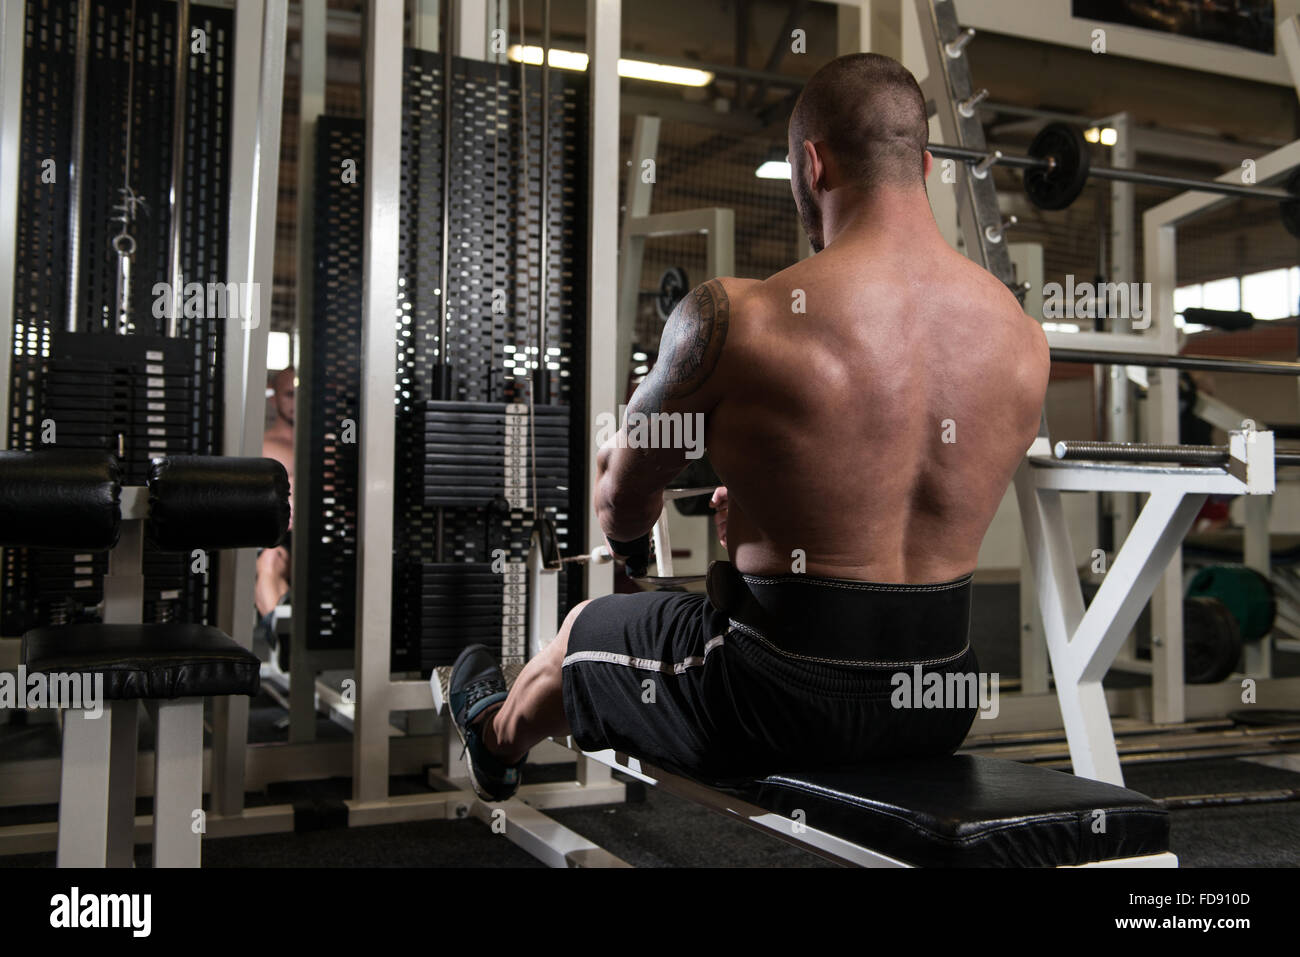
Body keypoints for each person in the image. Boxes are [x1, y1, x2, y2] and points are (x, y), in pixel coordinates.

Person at [437, 53, 1051, 799]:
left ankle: (495, 738)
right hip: (940, 701)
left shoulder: (742, 318)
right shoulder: (1021, 338)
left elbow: (620, 495)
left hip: (777, 700)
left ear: (812, 164)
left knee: (586, 630)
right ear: (922, 164)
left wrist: (632, 552)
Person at [255, 367, 295, 625]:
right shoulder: (263, 445)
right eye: (289, 394)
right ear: (274, 398)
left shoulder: (330, 443)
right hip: (280, 538)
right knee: (269, 563)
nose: (296, 403)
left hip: (323, 537)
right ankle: (280, 637)